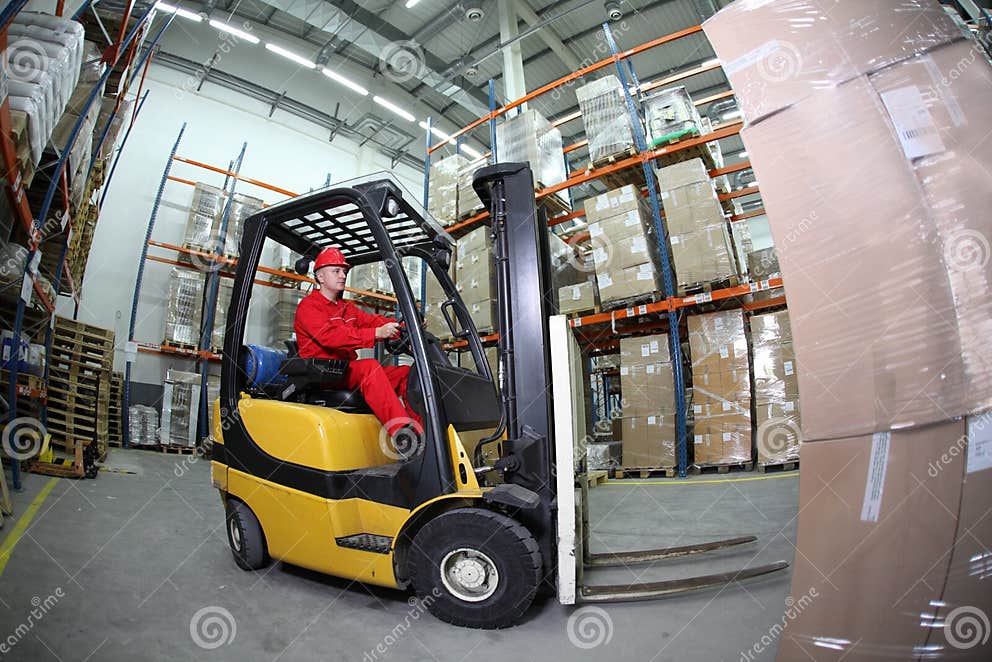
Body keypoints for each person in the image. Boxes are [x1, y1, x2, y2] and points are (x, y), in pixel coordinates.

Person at [294, 247, 421, 441]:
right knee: (369, 368)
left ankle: (422, 432)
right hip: (324, 373)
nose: (343, 276)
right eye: (336, 271)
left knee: (406, 374)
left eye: (344, 271)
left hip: (347, 372)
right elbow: (332, 337)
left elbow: (372, 321)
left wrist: (407, 325)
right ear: (320, 276)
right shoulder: (309, 307)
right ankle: (405, 436)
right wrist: (377, 334)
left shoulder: (347, 308)